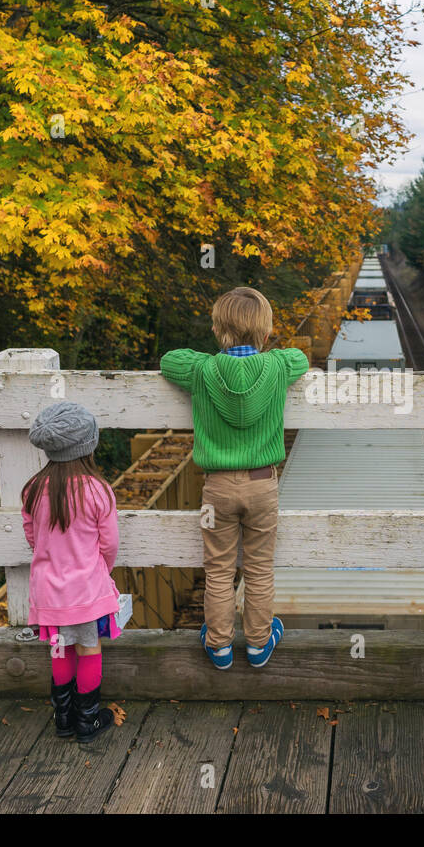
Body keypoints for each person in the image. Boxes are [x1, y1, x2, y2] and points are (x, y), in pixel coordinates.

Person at [160, 287, 309, 669]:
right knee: (259, 568)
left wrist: (210, 358)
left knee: (218, 569)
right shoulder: (278, 366)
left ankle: (220, 644)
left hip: (218, 489)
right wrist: (271, 350)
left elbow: (168, 361)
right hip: (263, 486)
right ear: (266, 330)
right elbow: (300, 358)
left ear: (216, 328)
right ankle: (259, 644)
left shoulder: (201, 370)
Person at [22, 401, 120, 743]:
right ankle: (87, 721)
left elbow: (33, 538)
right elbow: (109, 545)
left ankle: (63, 719)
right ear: (87, 446)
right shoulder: (98, 490)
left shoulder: (33, 490)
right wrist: (99, 573)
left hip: (49, 591)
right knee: (89, 650)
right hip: (85, 591)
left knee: (60, 649)